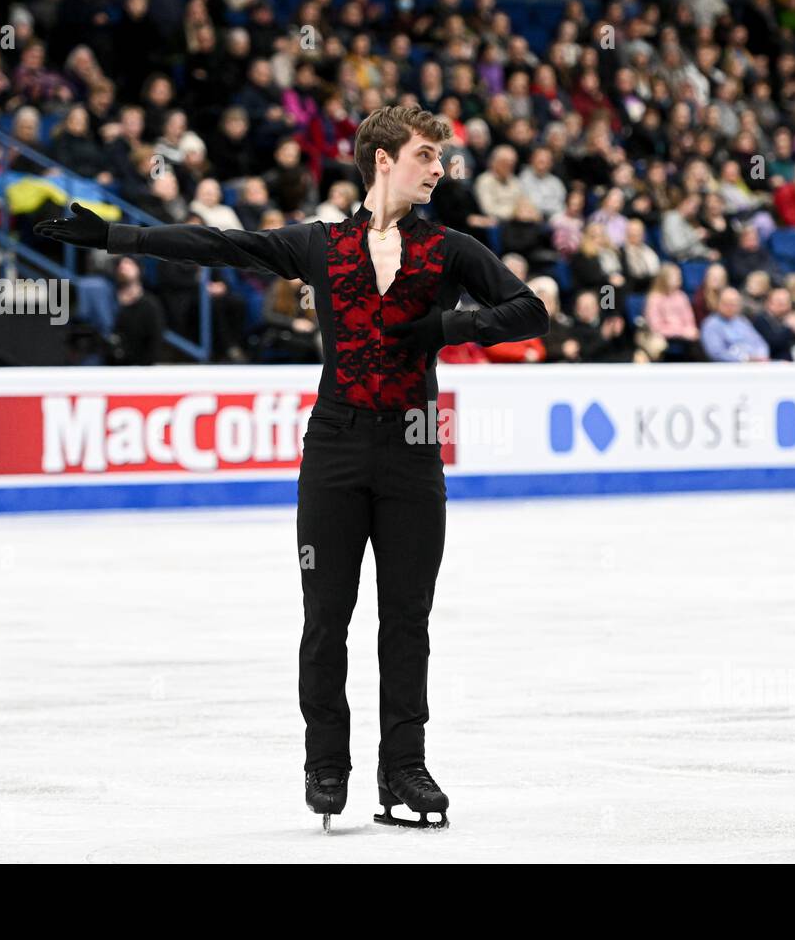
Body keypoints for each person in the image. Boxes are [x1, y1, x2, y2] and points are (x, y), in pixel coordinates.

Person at [34, 105, 549, 830]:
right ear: (383, 159)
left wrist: (450, 326)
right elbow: (219, 244)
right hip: (334, 451)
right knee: (324, 620)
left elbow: (531, 312)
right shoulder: (318, 243)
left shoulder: (452, 250)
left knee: (407, 621)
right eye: (427, 155)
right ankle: (326, 763)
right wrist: (119, 236)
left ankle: (404, 767)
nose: (440, 169)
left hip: (413, 449)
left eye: (441, 159)